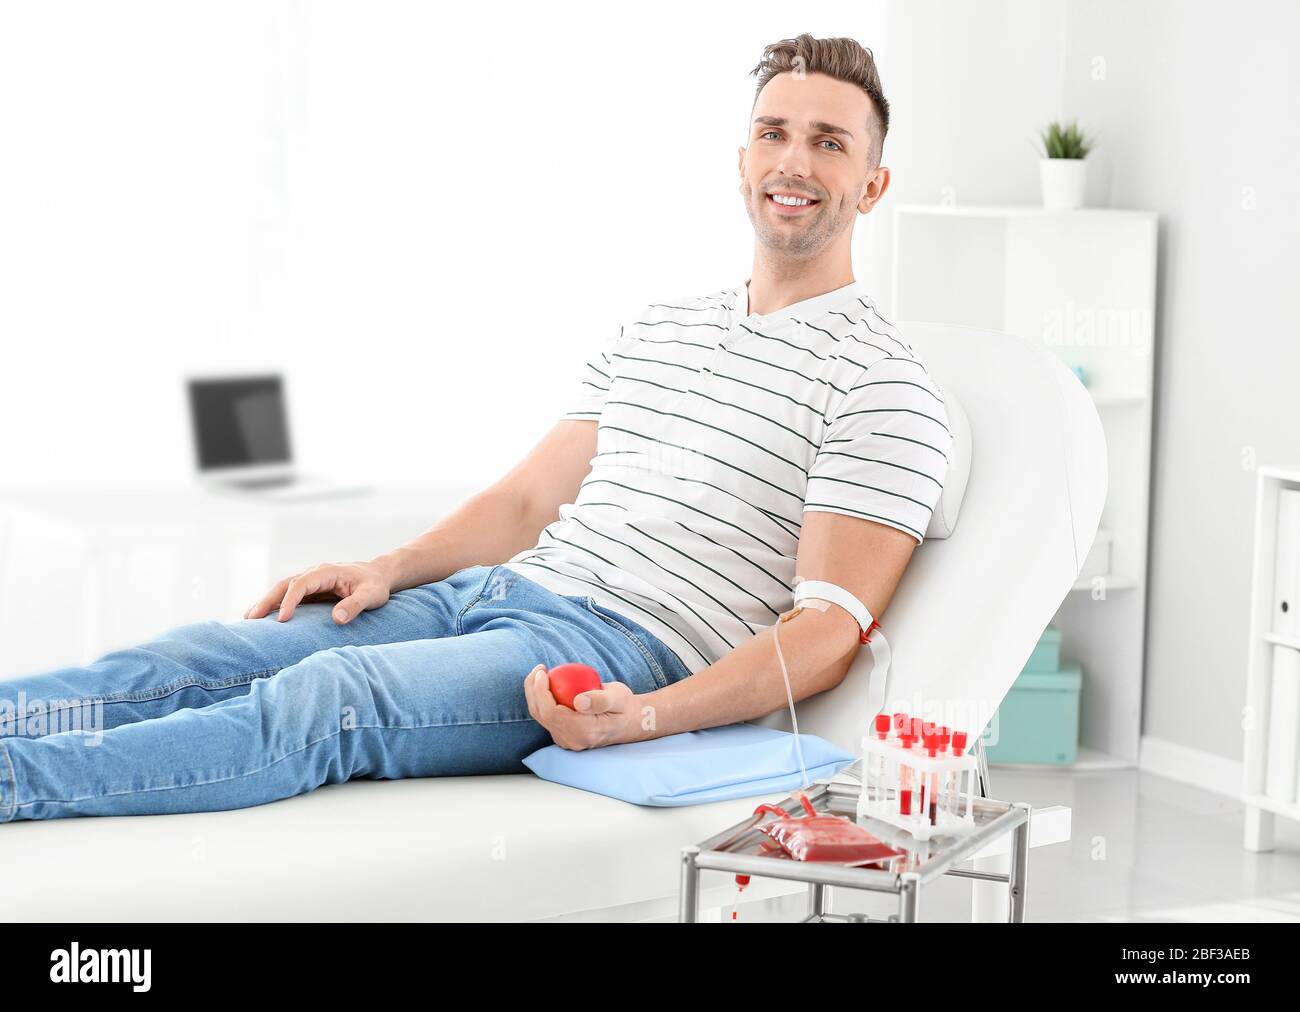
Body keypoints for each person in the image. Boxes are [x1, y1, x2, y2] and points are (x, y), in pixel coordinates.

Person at [0, 33, 952, 822]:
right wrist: (390, 568)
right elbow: (528, 497)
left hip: (620, 649)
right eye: (773, 133)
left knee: (326, 702)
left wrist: (647, 717)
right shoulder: (658, 327)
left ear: (872, 184)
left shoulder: (882, 382)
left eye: (830, 142)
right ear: (741, 160)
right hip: (486, 592)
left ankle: (17, 787)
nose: (794, 160)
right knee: (205, 657)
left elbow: (827, 630)